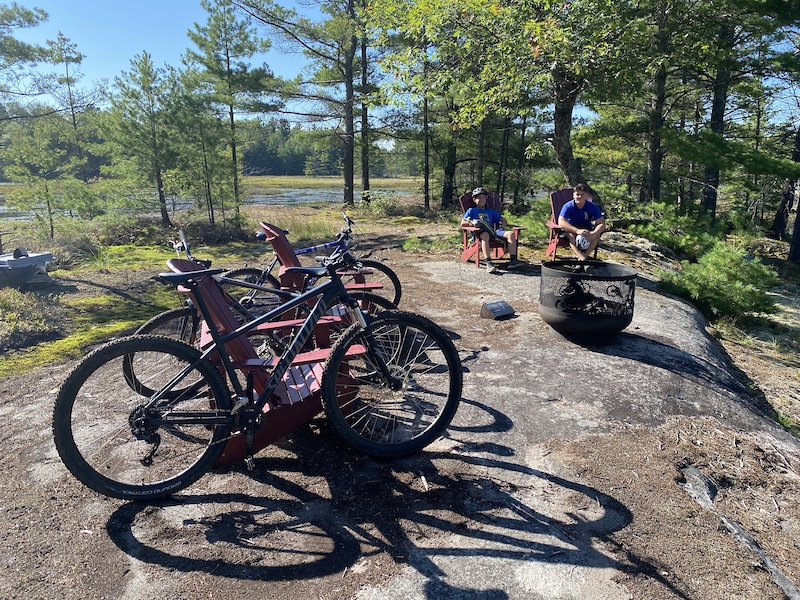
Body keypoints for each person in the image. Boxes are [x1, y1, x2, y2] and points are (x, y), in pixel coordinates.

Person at [461, 187, 521, 273]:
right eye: (479, 198)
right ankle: (488, 262)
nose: (482, 199)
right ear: (474, 200)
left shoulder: (490, 211)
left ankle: (513, 261)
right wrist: (472, 223)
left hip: (493, 232)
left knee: (511, 234)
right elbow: (462, 223)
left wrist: (502, 227)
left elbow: (503, 220)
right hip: (480, 234)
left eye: (483, 197)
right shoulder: (471, 211)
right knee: (485, 234)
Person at [557, 183, 607, 260]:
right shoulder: (568, 206)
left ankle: (585, 255)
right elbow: (561, 222)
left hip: (586, 229)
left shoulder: (592, 207)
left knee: (596, 235)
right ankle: (580, 255)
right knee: (571, 235)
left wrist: (594, 233)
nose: (579, 197)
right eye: (577, 194)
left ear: (586, 195)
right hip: (572, 228)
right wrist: (577, 231)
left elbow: (601, 223)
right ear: (573, 195)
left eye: (582, 194)